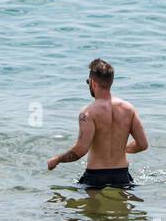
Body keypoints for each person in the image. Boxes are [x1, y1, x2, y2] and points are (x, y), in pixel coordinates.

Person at [47, 59, 147, 188]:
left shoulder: (88, 113)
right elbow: (143, 144)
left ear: (93, 82)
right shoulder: (129, 109)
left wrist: (57, 160)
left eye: (88, 82)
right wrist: (123, 148)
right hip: (122, 176)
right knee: (121, 208)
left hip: (95, 177)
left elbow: (80, 150)